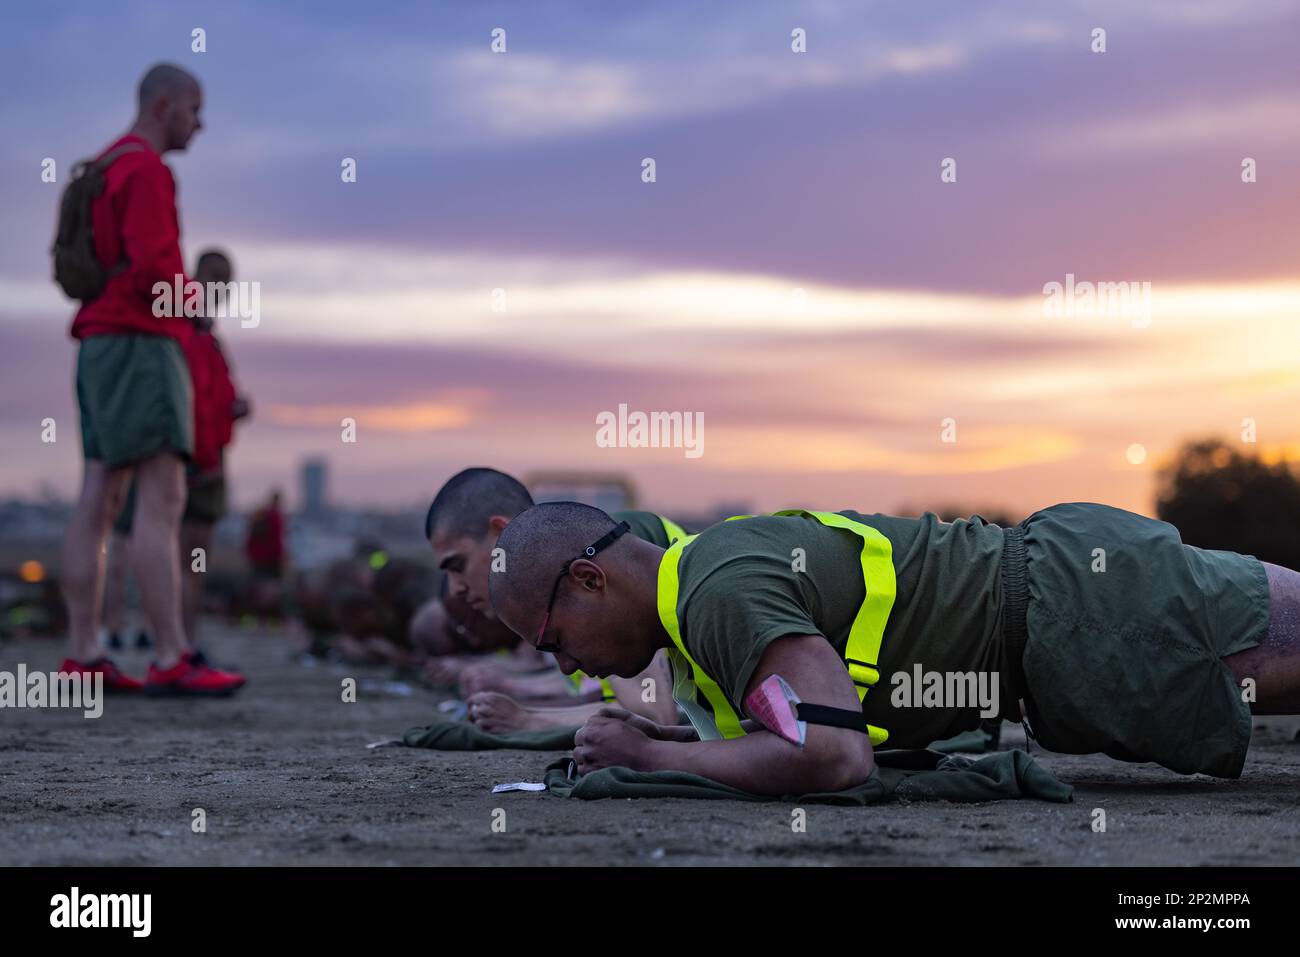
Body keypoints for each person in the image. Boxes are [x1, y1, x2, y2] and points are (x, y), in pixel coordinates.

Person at [489, 501, 1300, 795]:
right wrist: (660, 740)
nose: (565, 665)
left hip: (1085, 609)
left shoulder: (713, 592)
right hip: (1069, 610)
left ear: (591, 578)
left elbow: (832, 754)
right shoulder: (701, 591)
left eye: (554, 640)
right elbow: (798, 722)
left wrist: (660, 761)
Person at [57, 63, 243, 696]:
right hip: (141, 343)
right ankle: (171, 654)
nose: (200, 124)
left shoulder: (104, 165)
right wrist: (194, 302)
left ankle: (84, 653)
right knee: (162, 497)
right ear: (165, 106)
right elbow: (155, 274)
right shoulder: (147, 171)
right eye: (195, 110)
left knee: (99, 495)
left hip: (97, 342)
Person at [425, 468, 678, 733]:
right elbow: (590, 687)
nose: (455, 589)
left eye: (457, 565)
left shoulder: (602, 549)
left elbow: (652, 713)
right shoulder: (564, 568)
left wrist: (528, 720)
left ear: (500, 532)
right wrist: (514, 687)